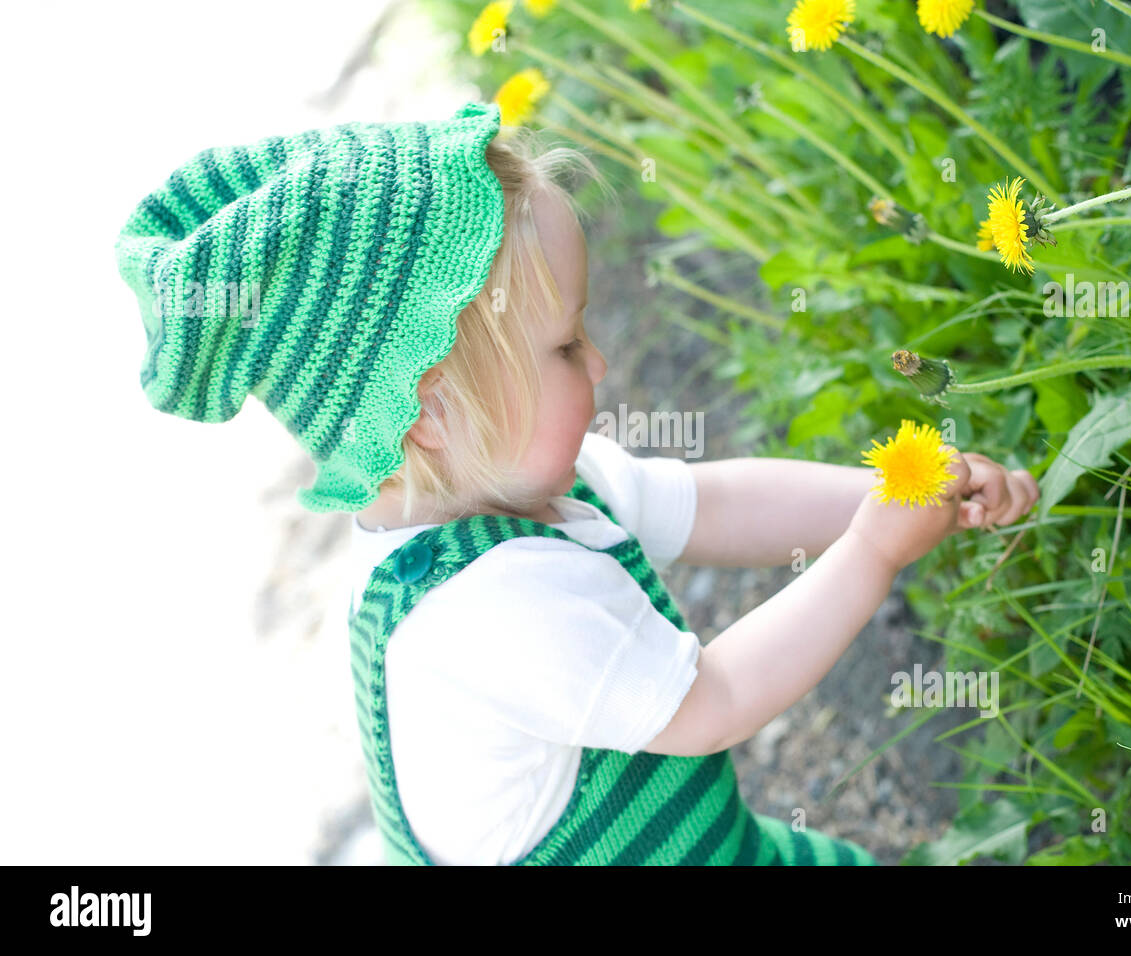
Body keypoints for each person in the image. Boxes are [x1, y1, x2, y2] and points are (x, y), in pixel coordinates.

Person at [116, 100, 1039, 866]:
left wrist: (898, 490)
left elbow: (710, 504)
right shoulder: (488, 606)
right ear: (432, 408)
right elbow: (712, 702)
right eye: (563, 347)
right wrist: (874, 550)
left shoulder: (513, 483)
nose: (597, 365)